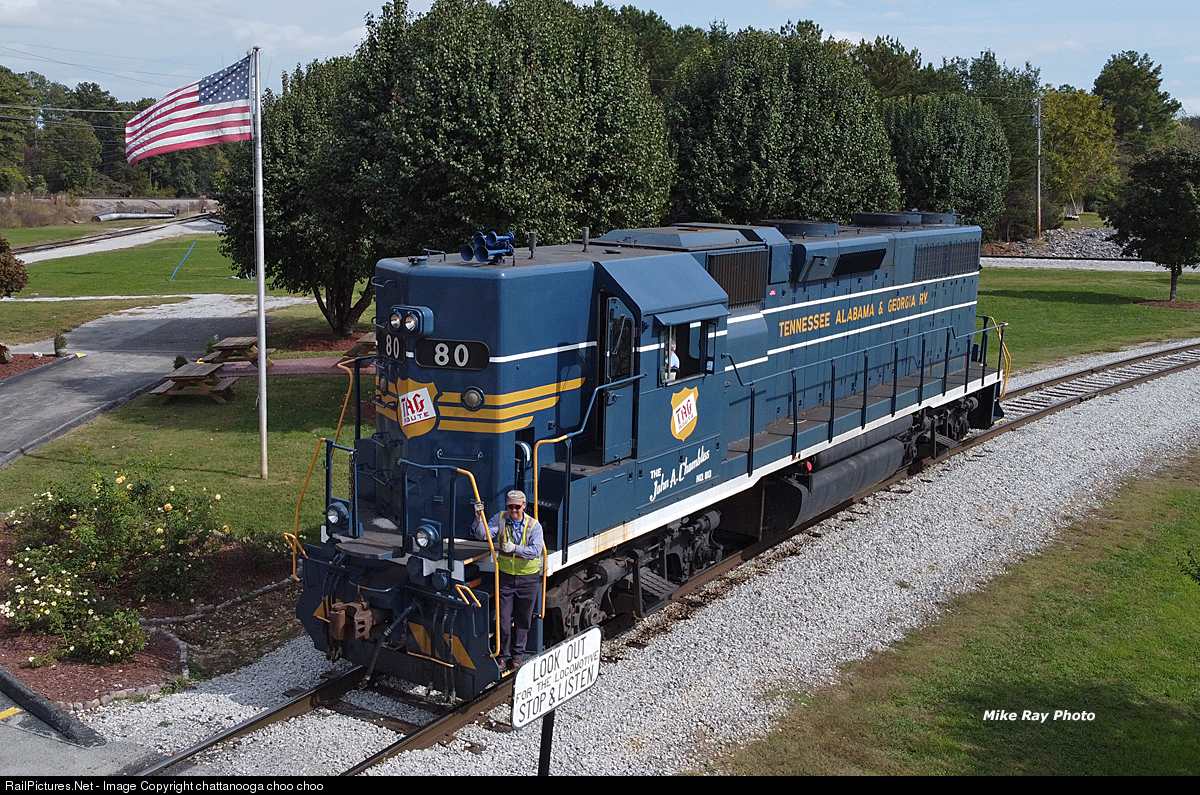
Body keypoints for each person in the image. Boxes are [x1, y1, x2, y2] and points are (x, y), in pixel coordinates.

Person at [472, 489, 543, 671]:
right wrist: (479, 518)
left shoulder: (534, 526)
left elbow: (535, 551)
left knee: (523, 619)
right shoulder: (501, 518)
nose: (513, 510)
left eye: (517, 507)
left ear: (524, 506)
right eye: (510, 506)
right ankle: (503, 656)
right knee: (503, 620)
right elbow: (483, 535)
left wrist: (515, 549)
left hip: (528, 579)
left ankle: (517, 655)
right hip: (505, 578)